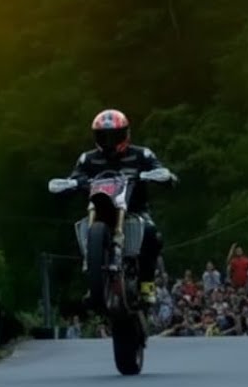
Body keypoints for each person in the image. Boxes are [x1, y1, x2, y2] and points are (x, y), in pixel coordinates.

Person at [59, 109, 178, 305]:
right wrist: (73, 184)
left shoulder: (141, 154)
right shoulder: (87, 159)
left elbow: (160, 170)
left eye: (114, 136)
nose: (109, 141)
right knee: (79, 233)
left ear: (125, 133)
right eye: (103, 136)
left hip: (134, 210)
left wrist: (163, 176)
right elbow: (75, 176)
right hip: (99, 212)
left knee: (152, 234)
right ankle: (94, 283)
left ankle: (147, 284)